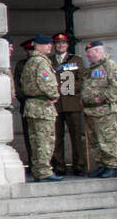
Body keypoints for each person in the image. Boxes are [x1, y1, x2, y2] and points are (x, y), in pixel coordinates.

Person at [20, 35, 62, 183]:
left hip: (32, 107)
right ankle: (44, 171)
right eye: (46, 45)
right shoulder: (41, 62)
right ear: (38, 46)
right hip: (42, 107)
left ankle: (38, 170)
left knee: (36, 140)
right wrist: (54, 95)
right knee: (45, 140)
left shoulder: (30, 62)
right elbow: (46, 82)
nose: (50, 47)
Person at [50, 32, 87, 176]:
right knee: (57, 137)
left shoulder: (76, 60)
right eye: (58, 43)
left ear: (67, 45)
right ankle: (59, 166)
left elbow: (82, 79)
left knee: (76, 136)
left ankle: (79, 165)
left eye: (63, 43)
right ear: (54, 45)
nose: (61, 45)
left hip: (72, 103)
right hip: (56, 104)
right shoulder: (49, 60)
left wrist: (67, 87)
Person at [81, 40, 117, 178]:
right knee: (95, 141)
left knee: (107, 140)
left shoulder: (110, 65)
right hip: (91, 111)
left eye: (89, 53)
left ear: (97, 51)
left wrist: (103, 98)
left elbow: (116, 86)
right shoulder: (93, 68)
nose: (87, 56)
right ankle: (102, 165)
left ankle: (112, 166)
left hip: (104, 111)